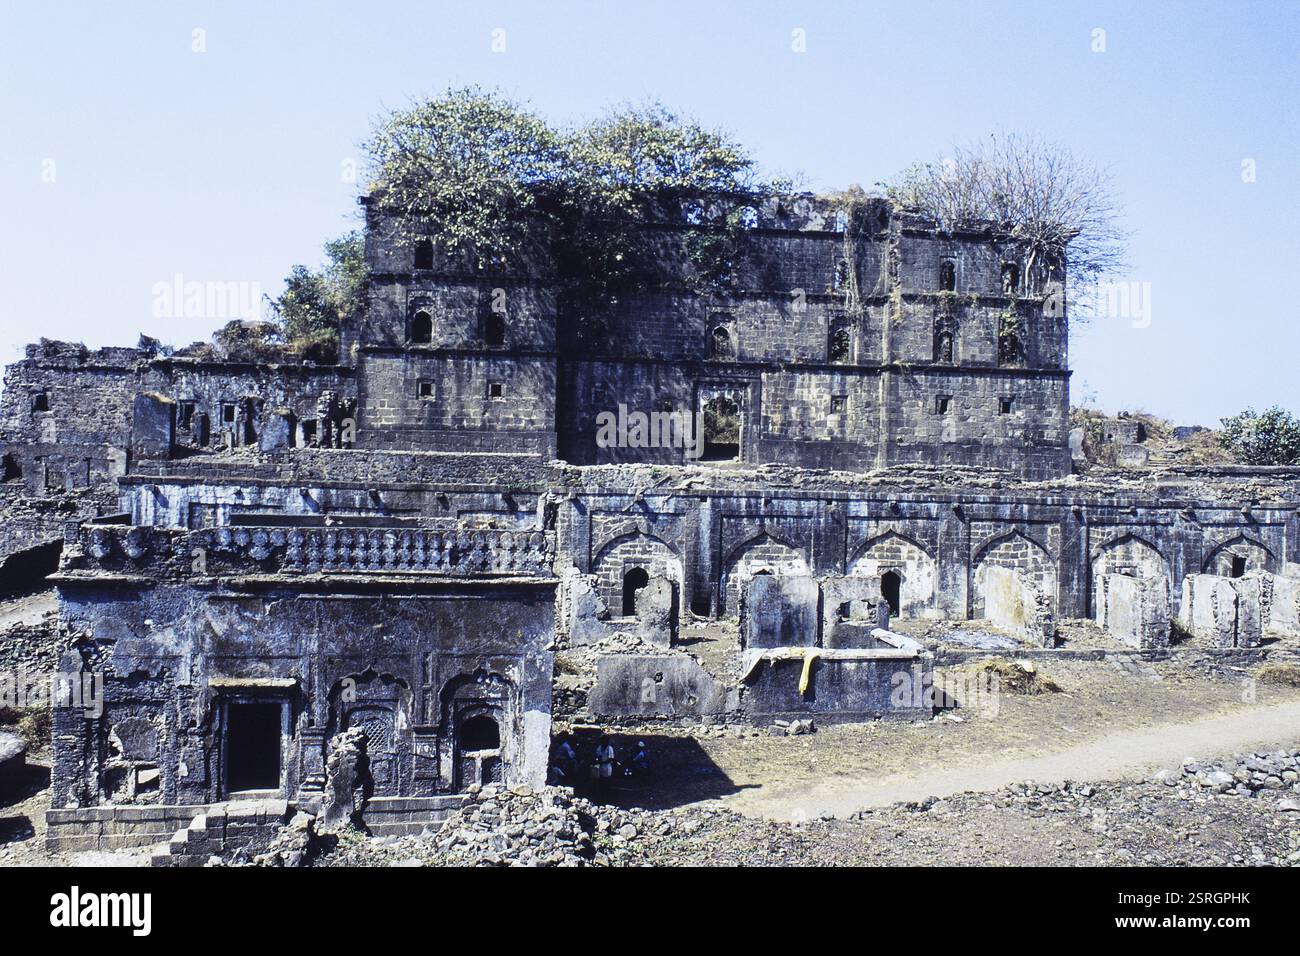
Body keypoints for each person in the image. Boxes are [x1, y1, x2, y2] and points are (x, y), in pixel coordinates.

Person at [592, 733, 617, 800]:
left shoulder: (609, 748)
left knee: (606, 782)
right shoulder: (599, 748)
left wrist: (602, 762)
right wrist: (597, 761)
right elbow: (597, 757)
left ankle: (607, 797)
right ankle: (601, 796)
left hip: (607, 767)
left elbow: (611, 759)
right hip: (600, 767)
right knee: (601, 782)